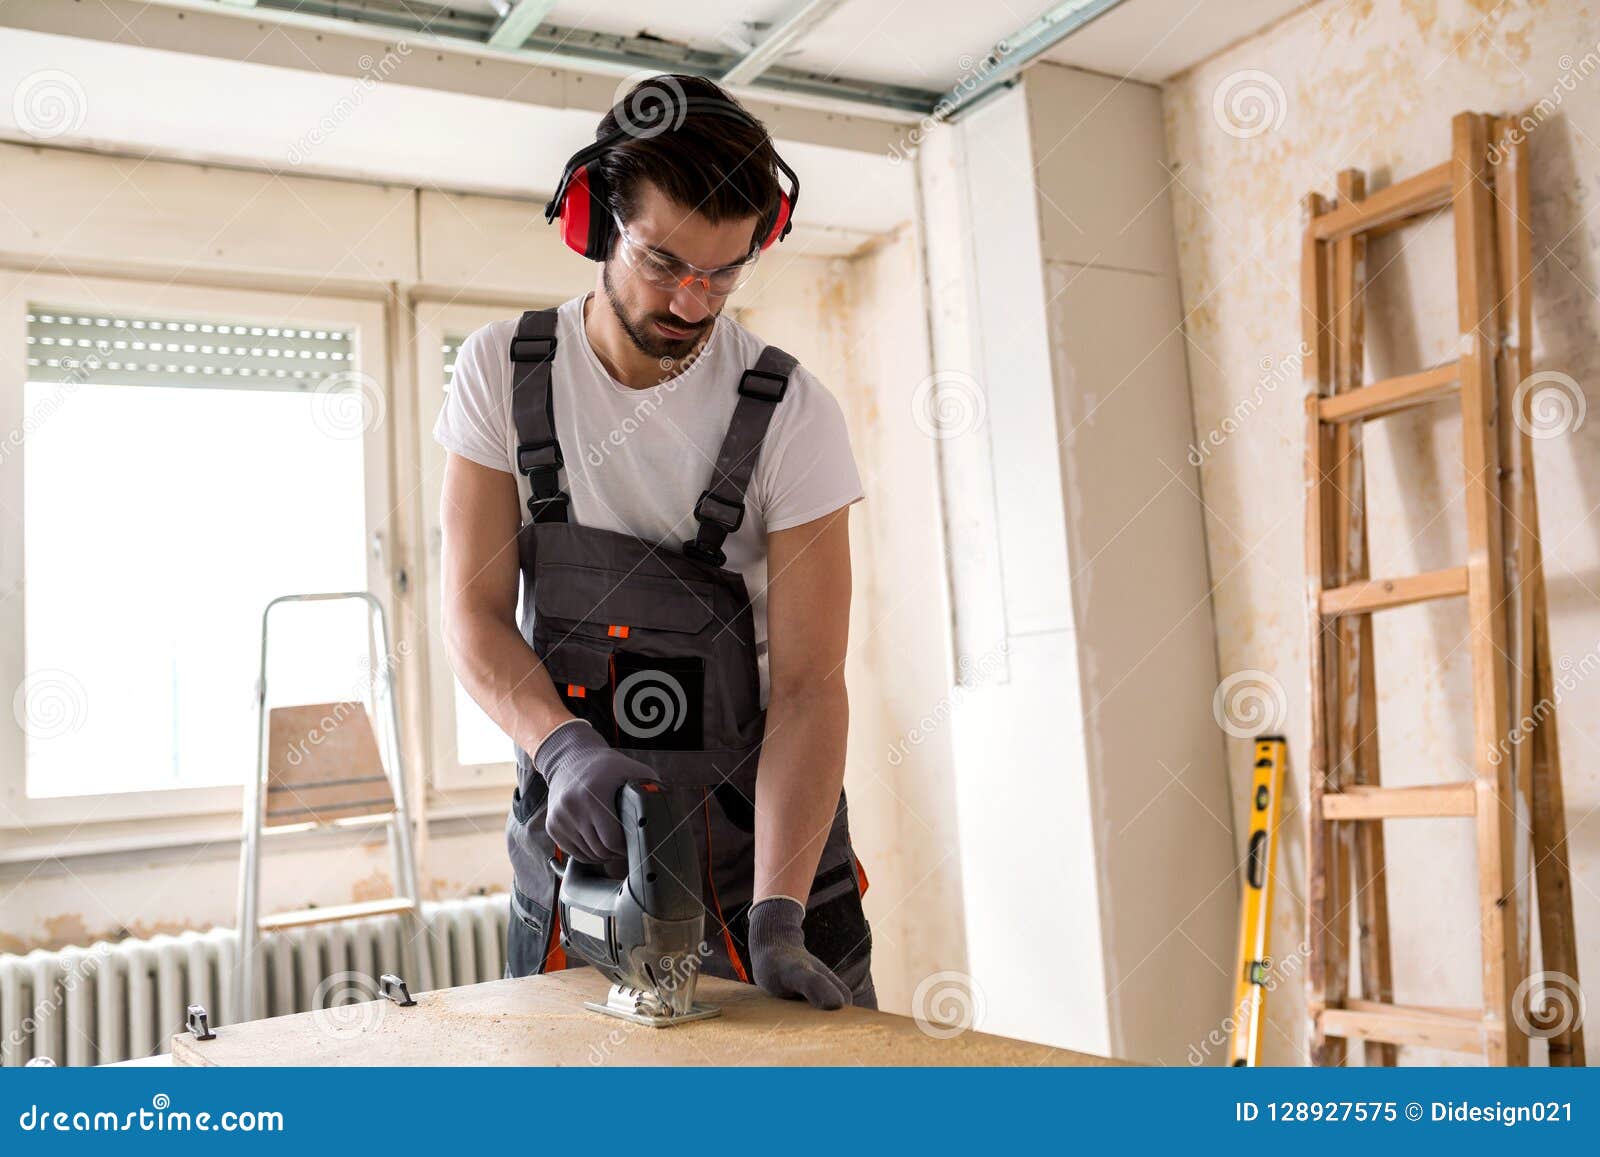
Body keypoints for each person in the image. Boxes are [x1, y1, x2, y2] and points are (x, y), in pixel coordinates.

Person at [433, 74, 874, 1009]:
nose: (690, 300)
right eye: (662, 261)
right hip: (584, 848)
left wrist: (780, 916)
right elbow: (471, 614)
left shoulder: (793, 414)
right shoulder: (501, 374)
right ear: (594, 223)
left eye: (723, 270)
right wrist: (562, 749)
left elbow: (809, 684)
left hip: (765, 854)